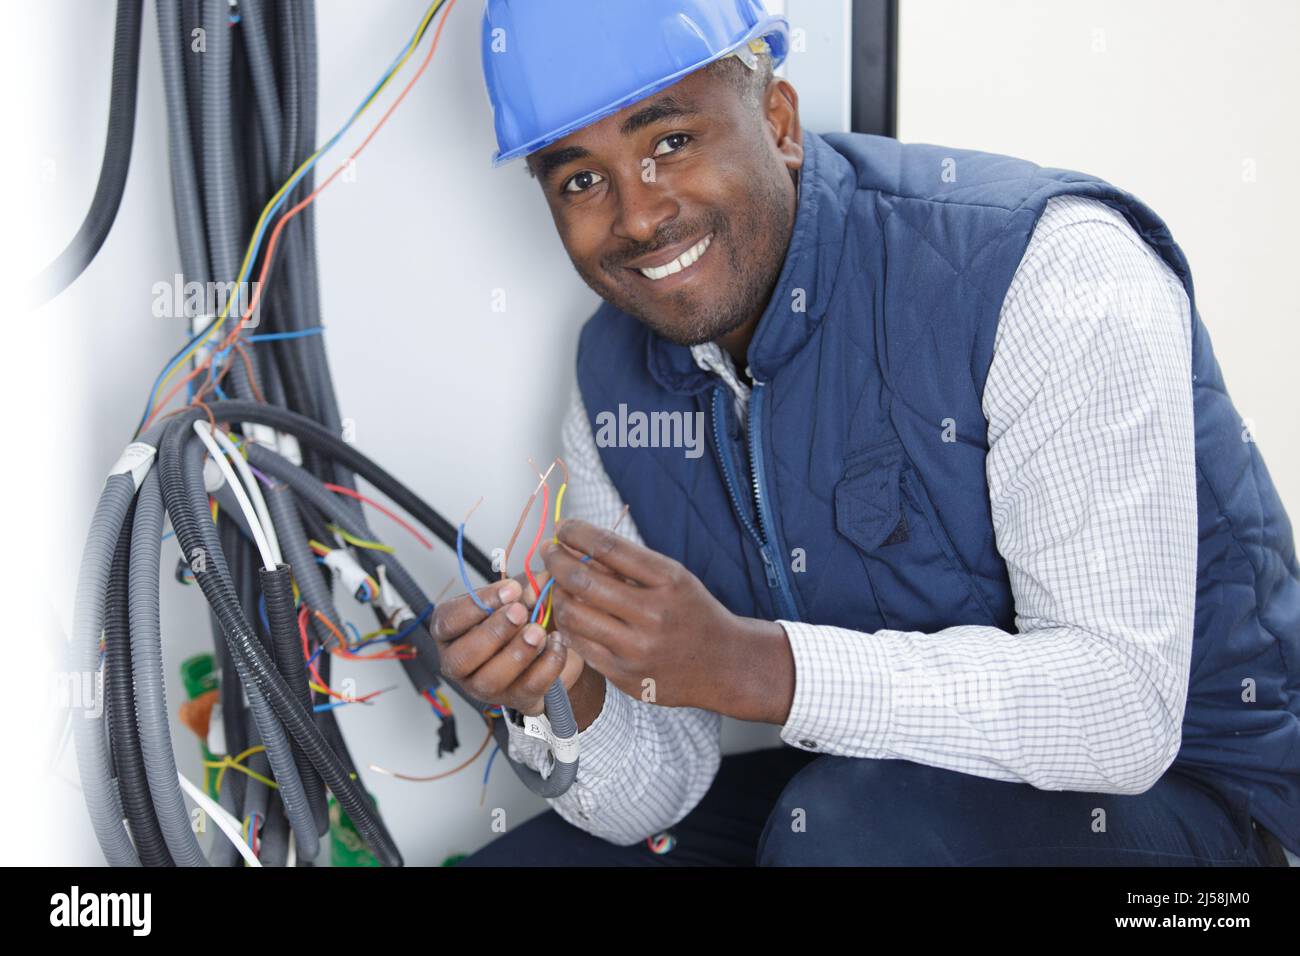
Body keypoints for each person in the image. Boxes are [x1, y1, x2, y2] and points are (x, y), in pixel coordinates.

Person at [434, 0, 1299, 866]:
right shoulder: (612, 385)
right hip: (867, 790)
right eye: (581, 179)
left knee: (851, 834)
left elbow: (1124, 717)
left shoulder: (1049, 268)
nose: (636, 217)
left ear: (778, 123)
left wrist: (753, 663)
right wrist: (566, 691)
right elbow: (656, 792)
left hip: (1200, 810)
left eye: (671, 142)